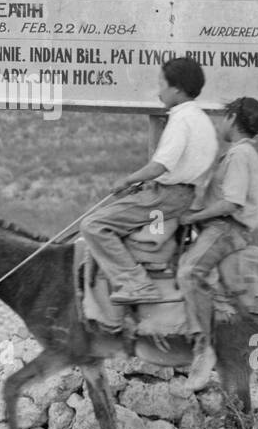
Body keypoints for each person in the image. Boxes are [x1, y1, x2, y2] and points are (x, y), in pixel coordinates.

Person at [81, 57, 217, 306]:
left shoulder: (181, 120)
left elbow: (160, 166)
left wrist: (127, 180)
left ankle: (136, 284)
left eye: (161, 84)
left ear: (176, 88)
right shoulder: (201, 119)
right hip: (184, 192)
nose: (159, 91)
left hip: (167, 195)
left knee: (93, 224)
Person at [177, 96, 258, 391]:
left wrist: (194, 216)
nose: (220, 122)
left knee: (188, 272)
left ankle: (205, 348)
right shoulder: (240, 153)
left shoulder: (240, 155)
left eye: (223, 116)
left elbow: (231, 203)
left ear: (232, 118)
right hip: (224, 226)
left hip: (227, 229)